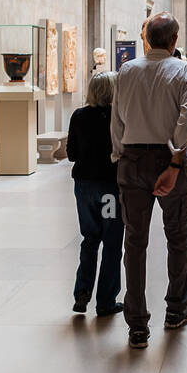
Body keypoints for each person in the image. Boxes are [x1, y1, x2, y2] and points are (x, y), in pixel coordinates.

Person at [110, 12, 187, 349]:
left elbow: (117, 120)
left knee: (134, 242)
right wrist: (175, 162)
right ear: (174, 40)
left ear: (146, 38)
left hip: (132, 159)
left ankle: (137, 326)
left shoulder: (128, 70)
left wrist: (122, 157)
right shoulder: (184, 70)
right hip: (167, 159)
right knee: (176, 236)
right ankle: (176, 309)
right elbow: (185, 116)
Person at [65, 71, 123, 317]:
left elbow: (71, 153)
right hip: (109, 187)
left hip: (84, 186)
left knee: (89, 239)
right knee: (111, 242)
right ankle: (106, 301)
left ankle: (82, 292)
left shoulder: (79, 115)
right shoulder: (119, 117)